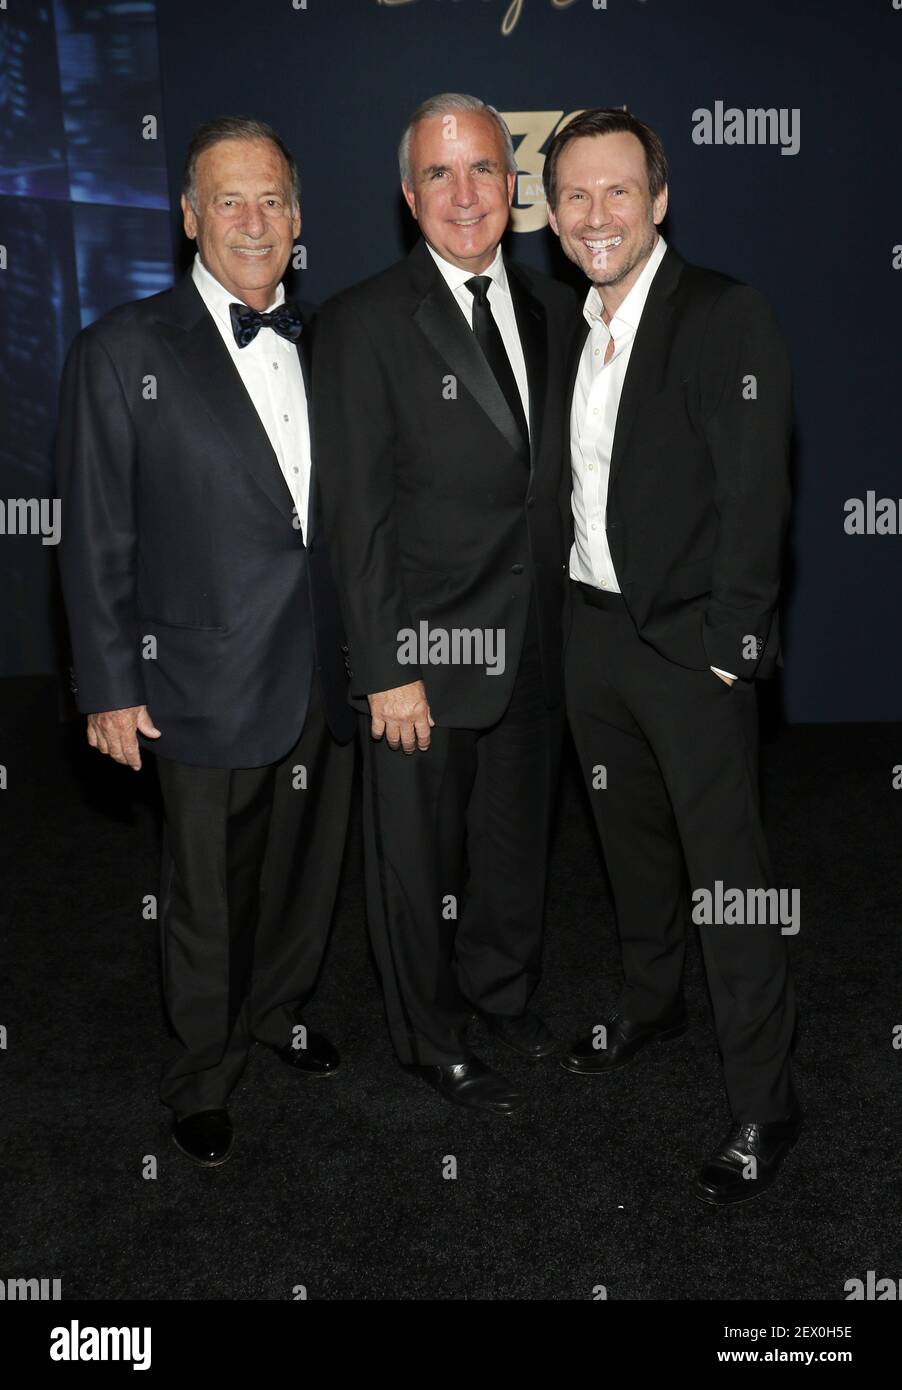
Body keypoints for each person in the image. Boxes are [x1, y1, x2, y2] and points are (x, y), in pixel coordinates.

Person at [56, 117, 355, 1167]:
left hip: (322, 667)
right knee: (203, 892)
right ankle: (199, 1073)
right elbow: (95, 533)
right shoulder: (121, 348)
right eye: (227, 200)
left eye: (270, 198)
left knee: (304, 872)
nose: (252, 219)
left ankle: (276, 1011)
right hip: (195, 675)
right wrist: (105, 685)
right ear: (188, 220)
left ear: (298, 217)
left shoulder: (331, 339)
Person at [545, 107, 801, 1204]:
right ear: (549, 214)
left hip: (688, 648)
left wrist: (728, 655)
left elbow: (757, 499)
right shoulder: (570, 320)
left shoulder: (723, 315)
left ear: (657, 201)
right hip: (589, 630)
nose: (594, 213)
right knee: (628, 844)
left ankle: (763, 1101)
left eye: (615, 191)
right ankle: (652, 999)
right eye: (572, 195)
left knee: (726, 882)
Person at [314, 94, 577, 1114]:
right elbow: (357, 516)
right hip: (419, 655)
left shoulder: (557, 308)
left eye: (481, 170)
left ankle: (501, 993)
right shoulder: (360, 322)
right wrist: (382, 665)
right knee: (413, 864)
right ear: (405, 195)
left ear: (512, 186)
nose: (463, 193)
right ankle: (426, 1032)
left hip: (539, 648)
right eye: (438, 173)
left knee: (514, 846)